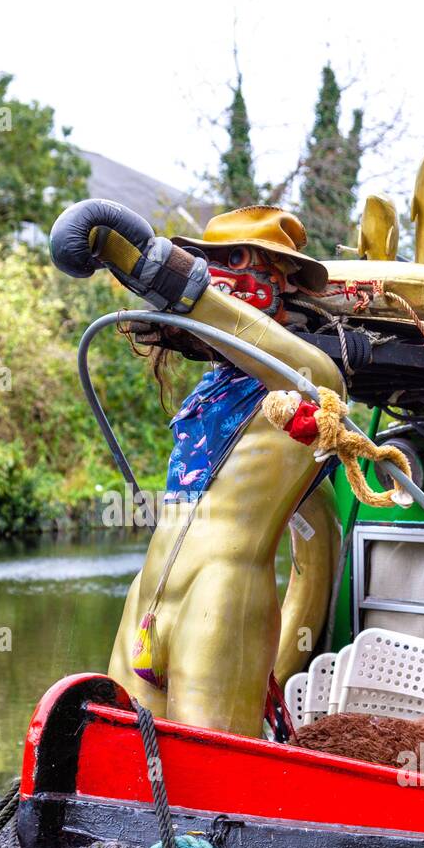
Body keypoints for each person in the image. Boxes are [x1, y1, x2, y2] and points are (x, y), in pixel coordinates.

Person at [106, 207, 343, 736]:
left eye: (237, 262)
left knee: (208, 781)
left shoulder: (308, 384)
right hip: (150, 595)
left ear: (282, 283)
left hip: (220, 598)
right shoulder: (209, 388)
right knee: (124, 765)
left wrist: (174, 283)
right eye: (211, 261)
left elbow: (316, 385)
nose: (219, 275)